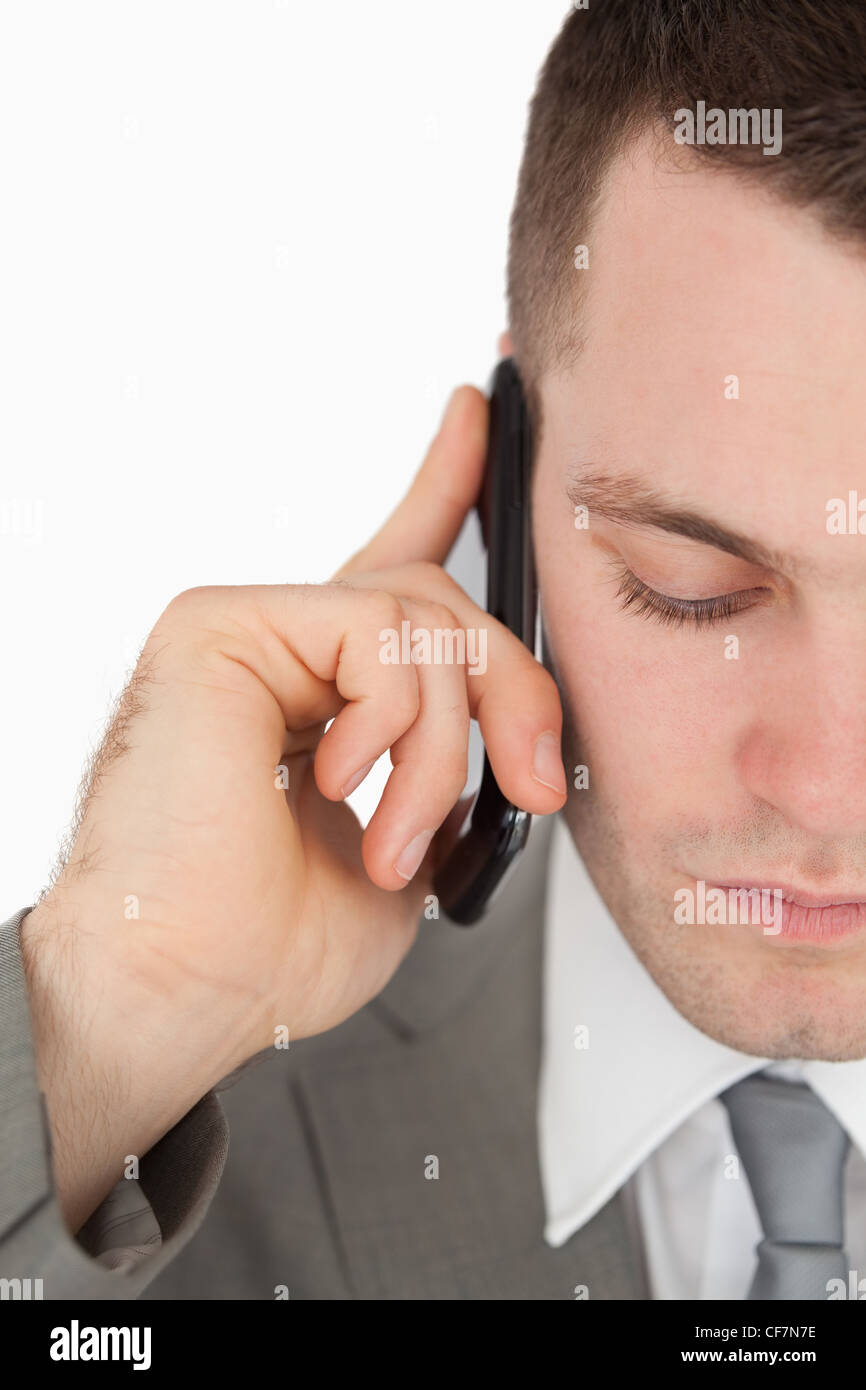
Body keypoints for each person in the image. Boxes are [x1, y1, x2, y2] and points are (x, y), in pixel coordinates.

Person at [4, 0, 866, 1300]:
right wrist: (102, 1023)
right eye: (689, 590)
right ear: (503, 488)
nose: (824, 789)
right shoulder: (153, 1150)